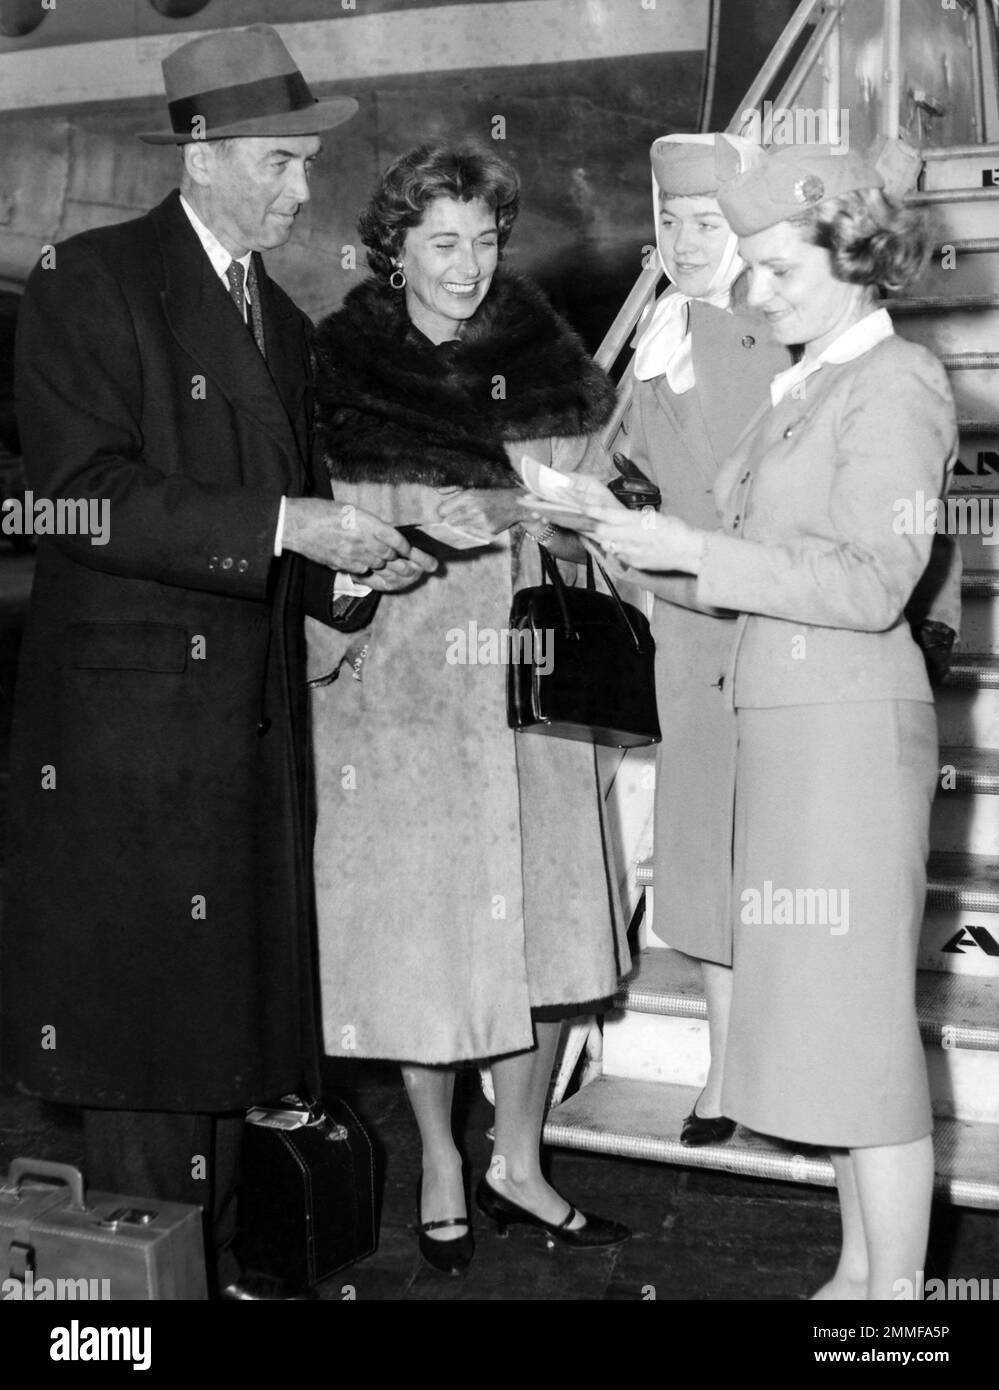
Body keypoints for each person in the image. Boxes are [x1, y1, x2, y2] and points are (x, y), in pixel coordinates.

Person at [0, 24, 433, 1300]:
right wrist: (289, 525)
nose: (305, 193)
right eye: (282, 164)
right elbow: (77, 498)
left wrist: (351, 571)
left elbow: (277, 529)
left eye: (306, 165)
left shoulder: (281, 329)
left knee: (235, 1031)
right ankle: (134, 1292)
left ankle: (224, 1271)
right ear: (201, 154)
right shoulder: (90, 280)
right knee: (147, 1041)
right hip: (129, 752)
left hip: (247, 739)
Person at [582, 144, 957, 1299]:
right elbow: (753, 574)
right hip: (790, 729)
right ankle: (858, 1273)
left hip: (846, 739)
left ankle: (895, 1304)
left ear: (855, 258)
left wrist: (696, 546)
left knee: (864, 1039)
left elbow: (869, 582)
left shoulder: (894, 382)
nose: (755, 293)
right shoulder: (807, 383)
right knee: (832, 1036)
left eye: (778, 269)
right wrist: (634, 546)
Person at [308, 142, 631, 1272]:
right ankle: (445, 1156)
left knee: (543, 942)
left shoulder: (552, 361)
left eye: (485, 239)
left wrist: (572, 521)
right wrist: (402, 540)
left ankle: (520, 1157)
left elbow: (615, 509)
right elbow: (310, 557)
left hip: (535, 697)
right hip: (403, 713)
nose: (468, 264)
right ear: (393, 249)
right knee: (426, 947)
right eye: (442, 241)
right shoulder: (334, 373)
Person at [621, 132, 788, 1145]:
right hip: (682, 639)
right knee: (703, 862)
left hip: (757, 631)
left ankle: (769, 1068)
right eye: (672, 222)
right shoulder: (661, 328)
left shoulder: (771, 333)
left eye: (708, 223)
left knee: (767, 861)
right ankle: (728, 1067)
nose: (686, 240)